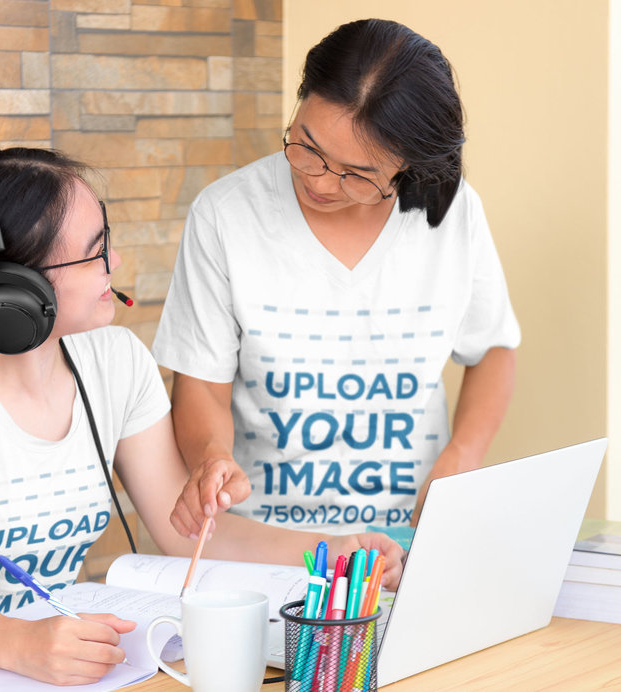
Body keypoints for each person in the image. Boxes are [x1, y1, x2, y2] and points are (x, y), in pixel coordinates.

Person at [0, 144, 402, 687]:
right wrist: (23, 645)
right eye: (95, 249)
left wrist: (341, 550)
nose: (115, 261)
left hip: (49, 671)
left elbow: (191, 535)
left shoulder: (117, 362)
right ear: (13, 288)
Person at [154, 18, 520, 542]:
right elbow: (201, 387)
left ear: (408, 168)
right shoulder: (227, 214)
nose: (320, 182)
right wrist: (212, 459)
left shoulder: (452, 214)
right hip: (272, 544)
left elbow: (492, 350)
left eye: (358, 174)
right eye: (307, 147)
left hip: (409, 541)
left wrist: (462, 456)